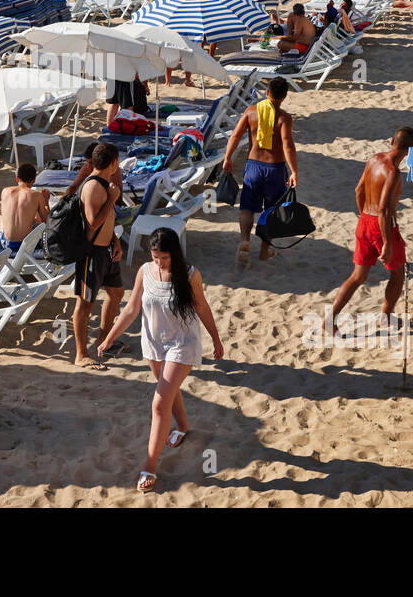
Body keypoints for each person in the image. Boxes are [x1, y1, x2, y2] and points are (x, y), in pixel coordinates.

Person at [98, 227, 224, 493]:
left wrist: (215, 338)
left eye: (164, 258)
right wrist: (109, 337)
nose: (159, 262)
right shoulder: (145, 271)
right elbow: (132, 308)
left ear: (174, 254)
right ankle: (183, 426)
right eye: (155, 257)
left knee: (159, 403)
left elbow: (202, 306)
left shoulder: (190, 275)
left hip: (182, 343)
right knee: (168, 392)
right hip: (153, 342)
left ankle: (150, 465)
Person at [327, 127, 413, 333]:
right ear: (410, 149)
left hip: (365, 220)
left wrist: (363, 216)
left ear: (392, 140)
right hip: (382, 225)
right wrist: (386, 242)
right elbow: (384, 209)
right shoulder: (393, 173)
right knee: (397, 274)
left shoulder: (374, 159)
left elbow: (358, 190)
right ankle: (385, 318)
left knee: (357, 276)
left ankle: (329, 320)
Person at [222, 77, 299, 265]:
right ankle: (264, 251)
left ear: (267, 92)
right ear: (285, 97)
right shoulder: (284, 118)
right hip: (275, 168)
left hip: (253, 167)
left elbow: (235, 135)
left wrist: (227, 158)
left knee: (247, 208)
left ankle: (245, 241)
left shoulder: (250, 112)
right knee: (271, 211)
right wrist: (294, 171)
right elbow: (288, 146)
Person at [73, 143, 125, 370]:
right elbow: (93, 223)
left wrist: (115, 240)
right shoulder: (93, 186)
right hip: (91, 253)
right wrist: (112, 199)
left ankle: (105, 340)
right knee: (85, 304)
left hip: (106, 250)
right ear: (112, 162)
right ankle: (81, 354)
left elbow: (106, 221)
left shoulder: (105, 184)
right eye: (118, 161)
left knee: (116, 293)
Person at [0, 163, 50, 252]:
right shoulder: (37, 196)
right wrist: (46, 202)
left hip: (6, 244)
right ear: (33, 180)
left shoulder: (5, 191)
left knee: (2, 216)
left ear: (17, 178)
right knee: (36, 218)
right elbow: (47, 222)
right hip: (26, 245)